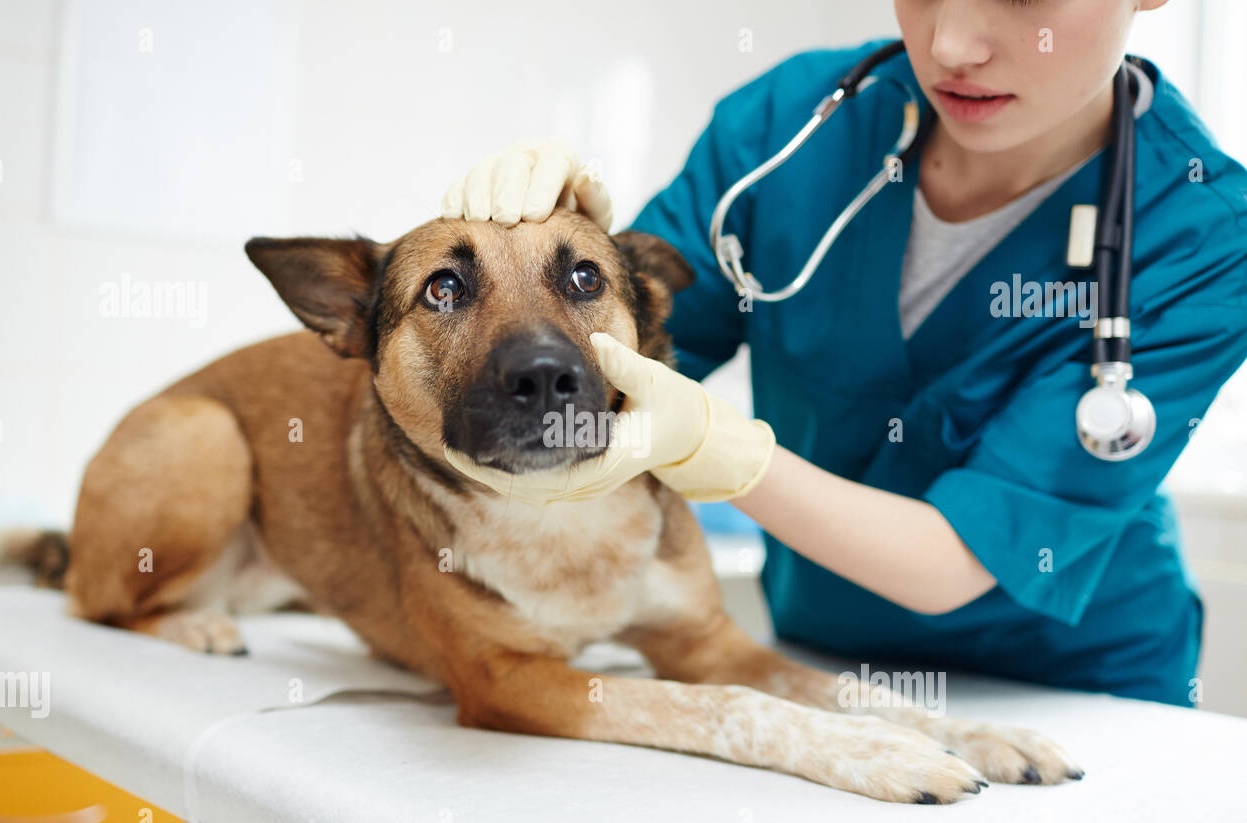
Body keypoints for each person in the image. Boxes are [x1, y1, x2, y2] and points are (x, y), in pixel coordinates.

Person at [438, 0, 1247, 707]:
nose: (952, 43)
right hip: (817, 659)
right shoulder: (788, 125)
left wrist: (728, 458)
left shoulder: (1205, 235)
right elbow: (621, 378)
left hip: (1082, 693)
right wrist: (568, 266)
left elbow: (953, 559)